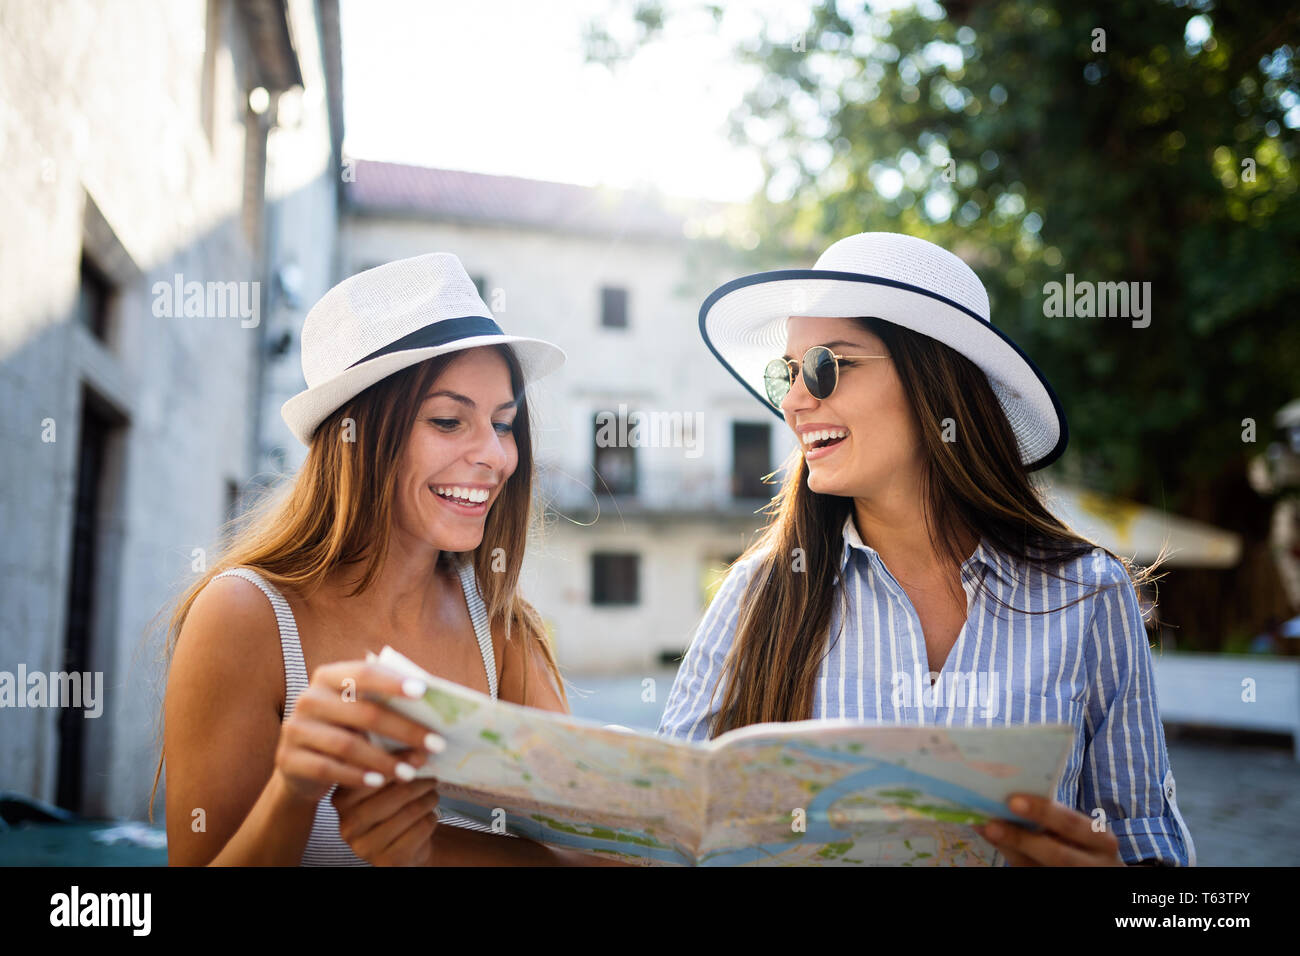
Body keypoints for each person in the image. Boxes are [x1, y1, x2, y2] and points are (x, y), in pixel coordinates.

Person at [659, 232, 1196, 866]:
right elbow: (666, 839)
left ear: (933, 383)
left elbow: (1157, 864)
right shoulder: (756, 594)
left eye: (827, 366)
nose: (796, 400)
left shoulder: (1090, 593)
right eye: (788, 373)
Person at [154, 253, 608, 865]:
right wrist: (293, 793)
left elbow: (600, 854)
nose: (498, 457)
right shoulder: (243, 617)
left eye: (503, 425)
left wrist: (433, 849)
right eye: (449, 420)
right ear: (356, 435)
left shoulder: (501, 625)